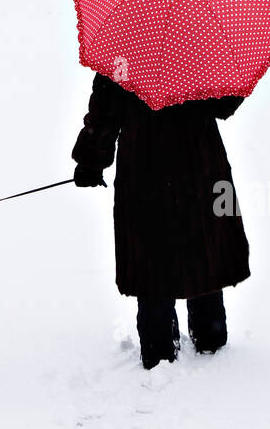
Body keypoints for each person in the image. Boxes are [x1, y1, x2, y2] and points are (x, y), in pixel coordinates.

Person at [72, 75, 249, 370]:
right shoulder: (201, 41)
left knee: (151, 254)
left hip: (145, 169)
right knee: (204, 246)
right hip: (201, 165)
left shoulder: (124, 46)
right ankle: (210, 334)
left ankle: (158, 347)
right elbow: (226, 104)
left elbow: (105, 111)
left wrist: (91, 162)